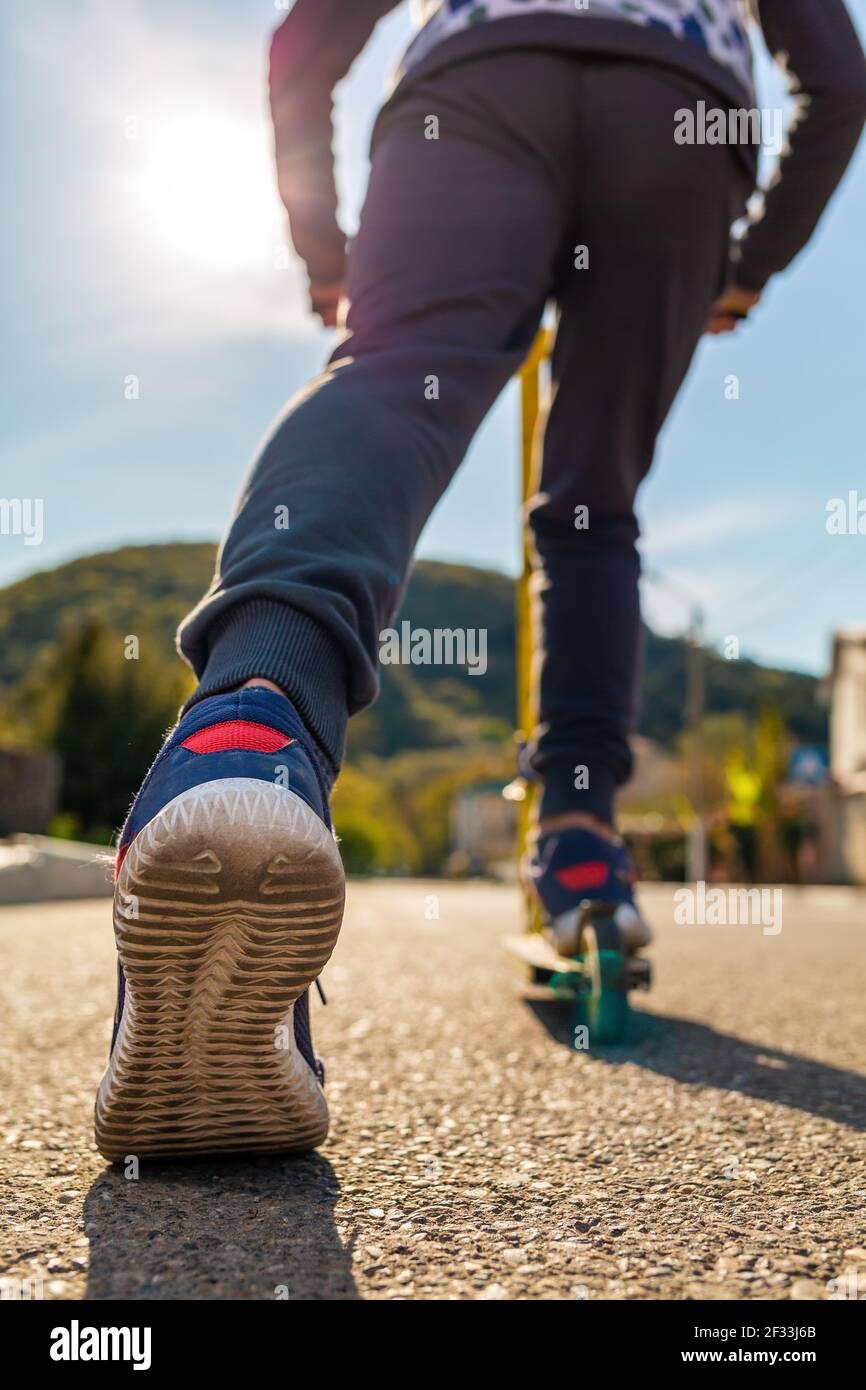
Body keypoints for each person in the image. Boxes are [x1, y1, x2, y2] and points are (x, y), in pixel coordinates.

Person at [95, 0, 866, 1161]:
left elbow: (303, 43)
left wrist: (324, 249)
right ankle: (579, 837)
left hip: (472, 92)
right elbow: (838, 78)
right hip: (679, 116)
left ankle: (247, 729)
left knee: (392, 380)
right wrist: (747, 265)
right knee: (591, 509)